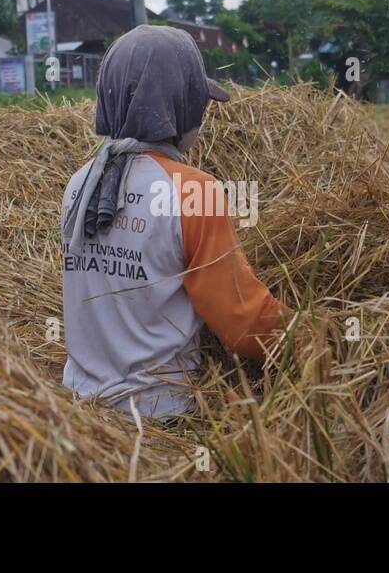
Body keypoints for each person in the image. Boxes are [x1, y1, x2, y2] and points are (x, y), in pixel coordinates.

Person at [60, 24, 290, 419]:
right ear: (180, 104)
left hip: (80, 413)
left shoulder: (80, 183)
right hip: (160, 415)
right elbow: (243, 324)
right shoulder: (193, 191)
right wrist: (312, 336)